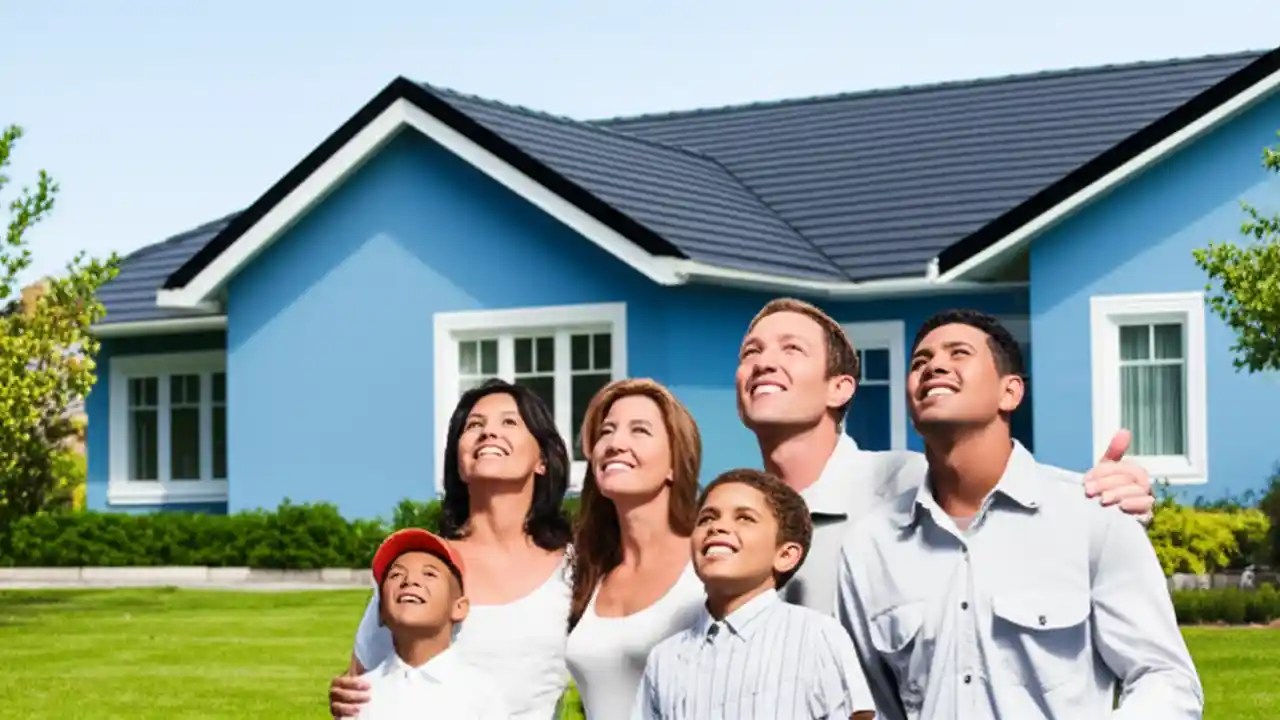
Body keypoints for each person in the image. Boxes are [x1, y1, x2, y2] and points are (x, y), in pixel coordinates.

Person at [835, 310, 1202, 719]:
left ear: (1010, 393)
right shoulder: (870, 547)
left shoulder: (1092, 519)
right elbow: (871, 706)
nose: (934, 366)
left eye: (959, 353)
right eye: (920, 362)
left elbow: (1166, 679)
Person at [734, 298, 1156, 614]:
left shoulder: (906, 484)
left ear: (841, 387)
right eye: (751, 352)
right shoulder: (726, 516)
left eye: (791, 349)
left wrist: (1109, 495)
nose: (764, 363)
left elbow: (1016, 493)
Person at [330, 379, 574, 719]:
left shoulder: (575, 568)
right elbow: (361, 685)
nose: (489, 433)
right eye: (474, 425)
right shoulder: (420, 563)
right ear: (458, 463)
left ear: (543, 460)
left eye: (509, 422)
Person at [634, 468, 876, 720]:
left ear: (785, 555)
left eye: (745, 518)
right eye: (706, 518)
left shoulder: (816, 635)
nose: (717, 527)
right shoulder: (665, 658)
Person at [564, 379, 707, 720]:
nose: (615, 443)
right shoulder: (586, 570)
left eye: (639, 430)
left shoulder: (706, 564)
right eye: (607, 432)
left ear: (675, 462)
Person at [354, 527, 509, 719]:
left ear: (459, 607)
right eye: (396, 575)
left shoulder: (482, 695)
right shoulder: (362, 696)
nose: (410, 580)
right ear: (380, 611)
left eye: (429, 574)